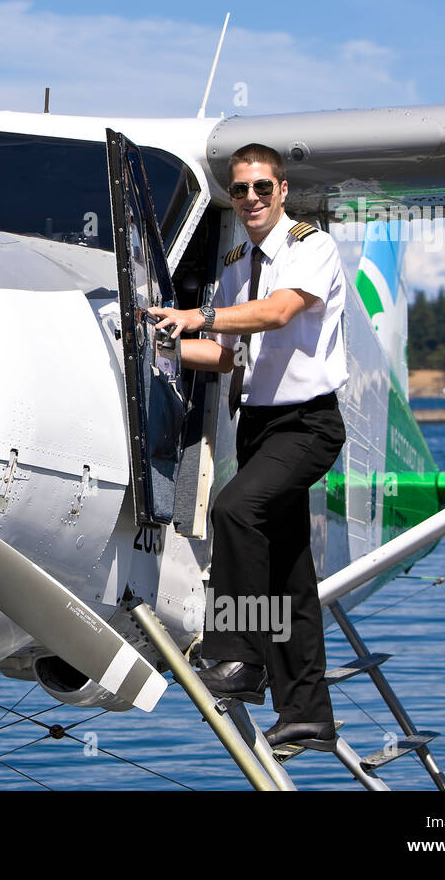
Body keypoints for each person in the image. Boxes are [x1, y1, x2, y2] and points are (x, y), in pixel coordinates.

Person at [148, 143, 348, 748]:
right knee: (290, 579)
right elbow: (228, 354)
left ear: (282, 191)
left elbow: (278, 313)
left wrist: (197, 314)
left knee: (233, 509)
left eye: (263, 187)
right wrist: (156, 343)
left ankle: (238, 656)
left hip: (308, 424)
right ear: (232, 198)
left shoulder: (311, 246)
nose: (252, 198)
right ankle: (308, 713)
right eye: (240, 190)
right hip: (258, 426)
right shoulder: (238, 262)